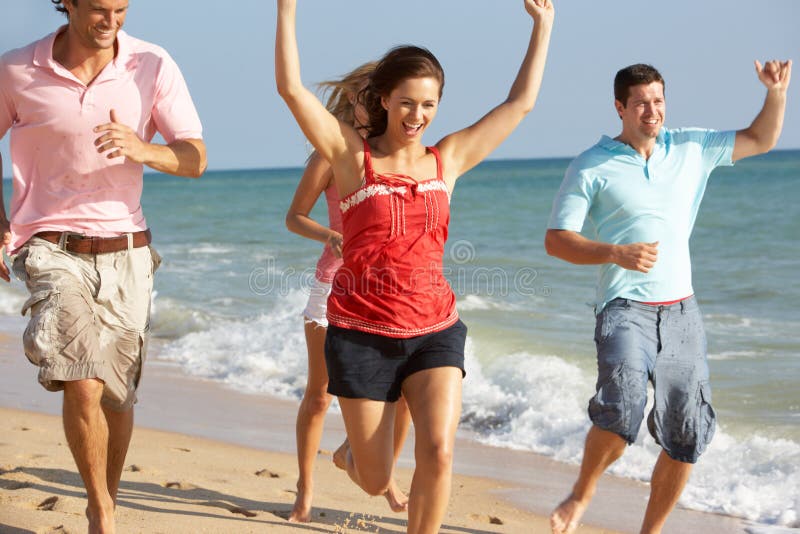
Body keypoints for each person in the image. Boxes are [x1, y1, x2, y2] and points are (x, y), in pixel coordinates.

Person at [276, 0, 554, 531]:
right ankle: (353, 458)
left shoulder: (447, 158)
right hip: (361, 334)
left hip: (434, 328)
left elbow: (519, 105)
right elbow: (292, 89)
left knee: (439, 453)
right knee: (376, 479)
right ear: (384, 99)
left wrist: (543, 27)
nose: (417, 116)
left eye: (428, 104)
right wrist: (287, 9)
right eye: (407, 103)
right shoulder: (349, 157)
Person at [545, 60, 791, 534]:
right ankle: (581, 493)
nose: (651, 111)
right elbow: (557, 240)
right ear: (619, 107)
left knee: (686, 434)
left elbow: (761, 139)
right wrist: (614, 252)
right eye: (640, 103)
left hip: (682, 312)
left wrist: (776, 92)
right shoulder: (591, 164)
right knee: (622, 408)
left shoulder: (691, 147)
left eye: (658, 101)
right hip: (624, 310)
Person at [0, 1, 207, 532]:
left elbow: (194, 157)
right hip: (50, 246)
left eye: (120, 9)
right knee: (82, 378)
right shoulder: (17, 69)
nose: (111, 21)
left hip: (128, 252)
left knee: (118, 395)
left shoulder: (152, 65)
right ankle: (100, 510)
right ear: (66, 2)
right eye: (98, 8)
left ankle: (107, 495)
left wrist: (144, 149)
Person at [284, 61, 412, 522]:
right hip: (331, 285)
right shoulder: (331, 152)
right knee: (319, 395)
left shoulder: (395, 152)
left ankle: (363, 462)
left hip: (385, 292)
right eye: (366, 93)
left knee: (399, 395)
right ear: (354, 98)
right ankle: (304, 489)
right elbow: (294, 216)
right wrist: (329, 236)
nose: (373, 101)